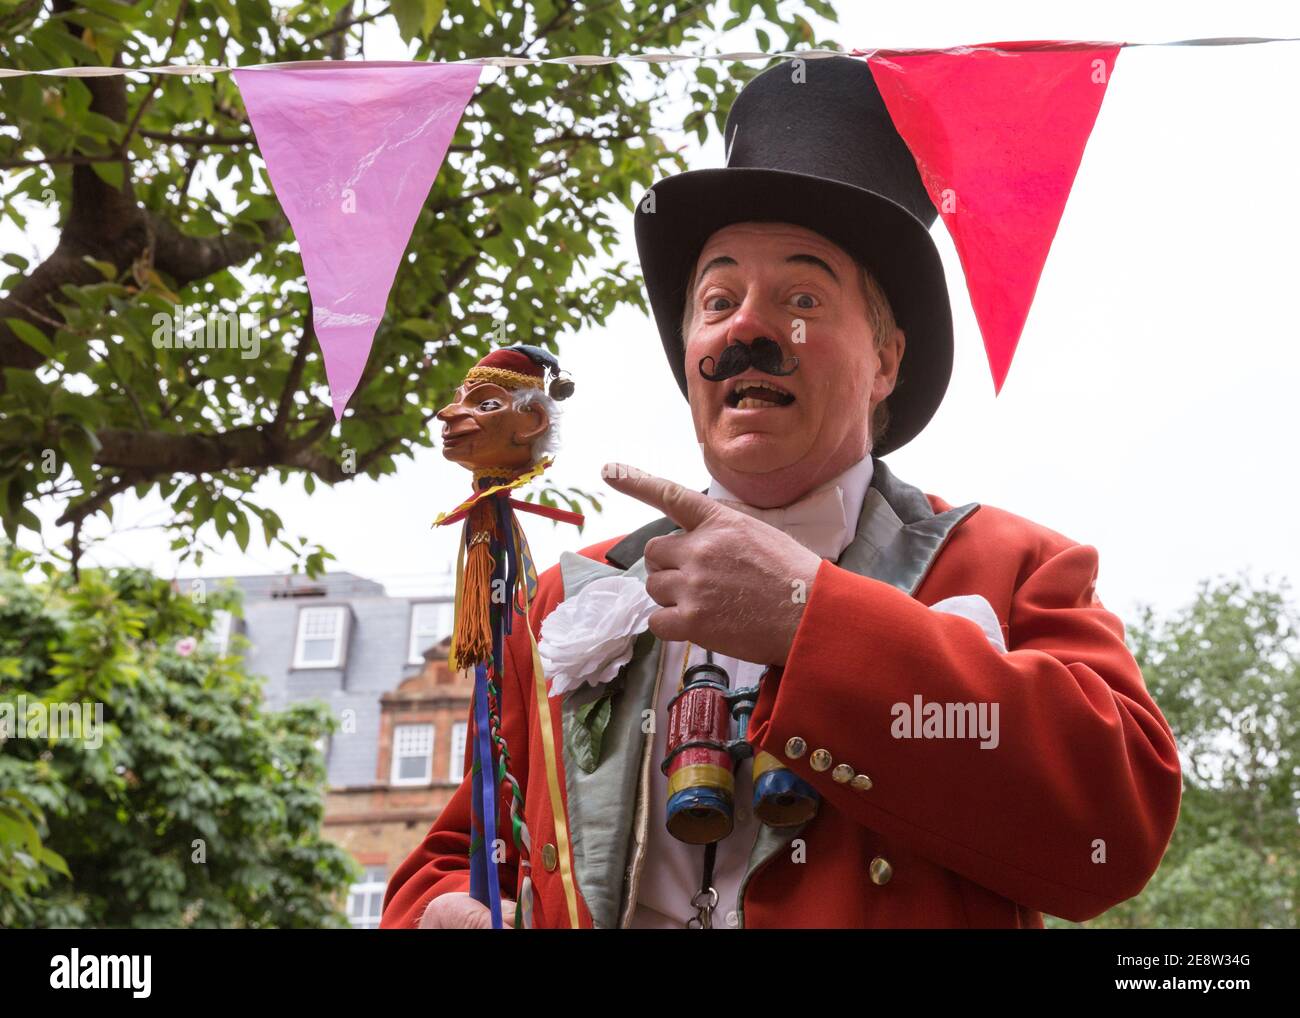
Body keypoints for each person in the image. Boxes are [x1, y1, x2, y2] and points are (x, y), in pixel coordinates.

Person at [381, 55, 1181, 930]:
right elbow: (464, 853)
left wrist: (810, 619)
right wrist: (442, 912)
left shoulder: (1013, 567)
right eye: (717, 300)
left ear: (887, 361)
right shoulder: (567, 598)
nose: (750, 329)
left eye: (801, 295)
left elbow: (1118, 827)